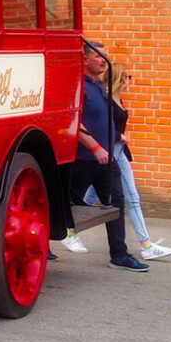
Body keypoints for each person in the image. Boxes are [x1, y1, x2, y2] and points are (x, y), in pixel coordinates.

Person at [83, 62, 171, 261]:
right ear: (120, 78)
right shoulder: (107, 100)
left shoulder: (117, 99)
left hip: (119, 152)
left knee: (99, 196)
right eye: (127, 77)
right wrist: (120, 136)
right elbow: (103, 126)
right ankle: (146, 246)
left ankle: (67, 230)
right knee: (117, 197)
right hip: (111, 152)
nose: (129, 81)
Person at [71, 40, 149, 272]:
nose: (104, 61)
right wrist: (95, 147)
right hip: (82, 160)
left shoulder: (98, 86)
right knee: (67, 205)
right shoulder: (78, 86)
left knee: (116, 204)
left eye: (105, 56)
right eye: (99, 56)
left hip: (107, 160)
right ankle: (43, 246)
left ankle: (119, 255)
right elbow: (72, 120)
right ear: (85, 59)